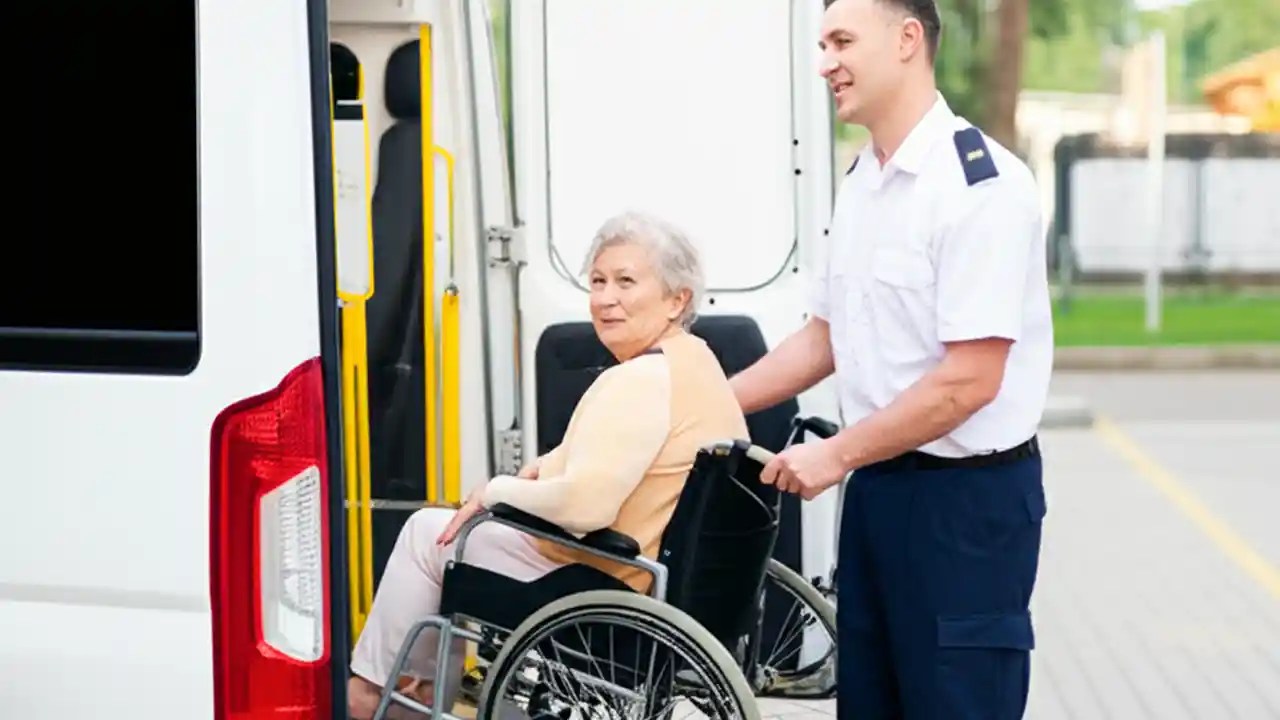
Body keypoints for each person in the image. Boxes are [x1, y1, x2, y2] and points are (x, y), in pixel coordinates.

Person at [729, 0, 1053, 718]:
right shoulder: (863, 183)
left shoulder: (981, 187)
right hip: (878, 497)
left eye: (842, 40)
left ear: (908, 39)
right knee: (870, 702)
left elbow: (971, 379)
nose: (825, 63)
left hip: (965, 508)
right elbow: (824, 338)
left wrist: (837, 455)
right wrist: (709, 403)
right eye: (821, 43)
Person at [346, 211, 750, 718]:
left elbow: (585, 507)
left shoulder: (637, 381)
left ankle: (380, 699)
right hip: (666, 587)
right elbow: (624, 455)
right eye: (598, 281)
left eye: (626, 281)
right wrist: (540, 469)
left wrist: (495, 491)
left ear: (677, 298)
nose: (605, 298)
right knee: (453, 532)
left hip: (608, 585)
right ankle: (416, 694)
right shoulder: (697, 365)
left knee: (433, 535)